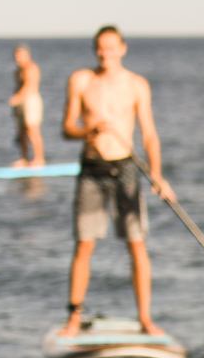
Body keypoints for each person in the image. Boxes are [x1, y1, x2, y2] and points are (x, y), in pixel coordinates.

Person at [58, 25, 174, 338]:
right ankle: (73, 318)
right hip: (92, 169)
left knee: (137, 244)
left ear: (122, 48)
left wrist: (158, 175)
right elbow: (67, 127)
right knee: (84, 244)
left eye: (110, 47)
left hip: (125, 169)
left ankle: (146, 319)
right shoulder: (81, 80)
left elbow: (149, 133)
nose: (104, 53)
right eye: (99, 47)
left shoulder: (136, 84)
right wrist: (88, 131)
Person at [9, 45, 45, 167]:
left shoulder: (31, 68)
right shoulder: (18, 71)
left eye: (20, 55)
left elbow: (29, 86)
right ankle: (24, 158)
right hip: (20, 102)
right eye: (16, 55)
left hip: (31, 101)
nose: (17, 58)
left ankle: (39, 159)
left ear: (27, 55)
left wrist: (17, 97)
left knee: (32, 129)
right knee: (21, 132)